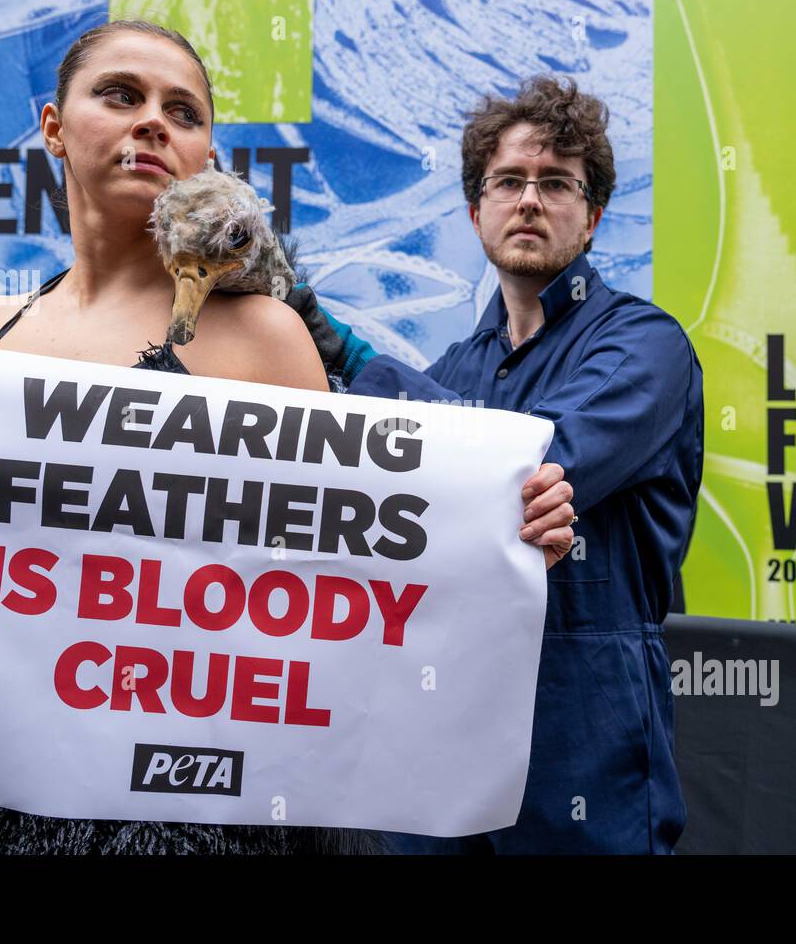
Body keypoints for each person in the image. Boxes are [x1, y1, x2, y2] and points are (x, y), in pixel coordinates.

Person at [0, 20, 576, 854]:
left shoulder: (267, 336)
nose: (153, 122)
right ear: (53, 126)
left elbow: (335, 584)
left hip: (200, 817)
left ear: (205, 155)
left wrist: (490, 539)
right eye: (120, 95)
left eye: (183, 111)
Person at [293, 75, 704, 854]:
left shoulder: (645, 345)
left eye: (557, 183)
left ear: (593, 217)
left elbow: (519, 463)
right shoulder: (450, 367)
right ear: (475, 210)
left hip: (585, 729)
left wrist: (348, 354)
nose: (528, 200)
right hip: (438, 729)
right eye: (508, 181)